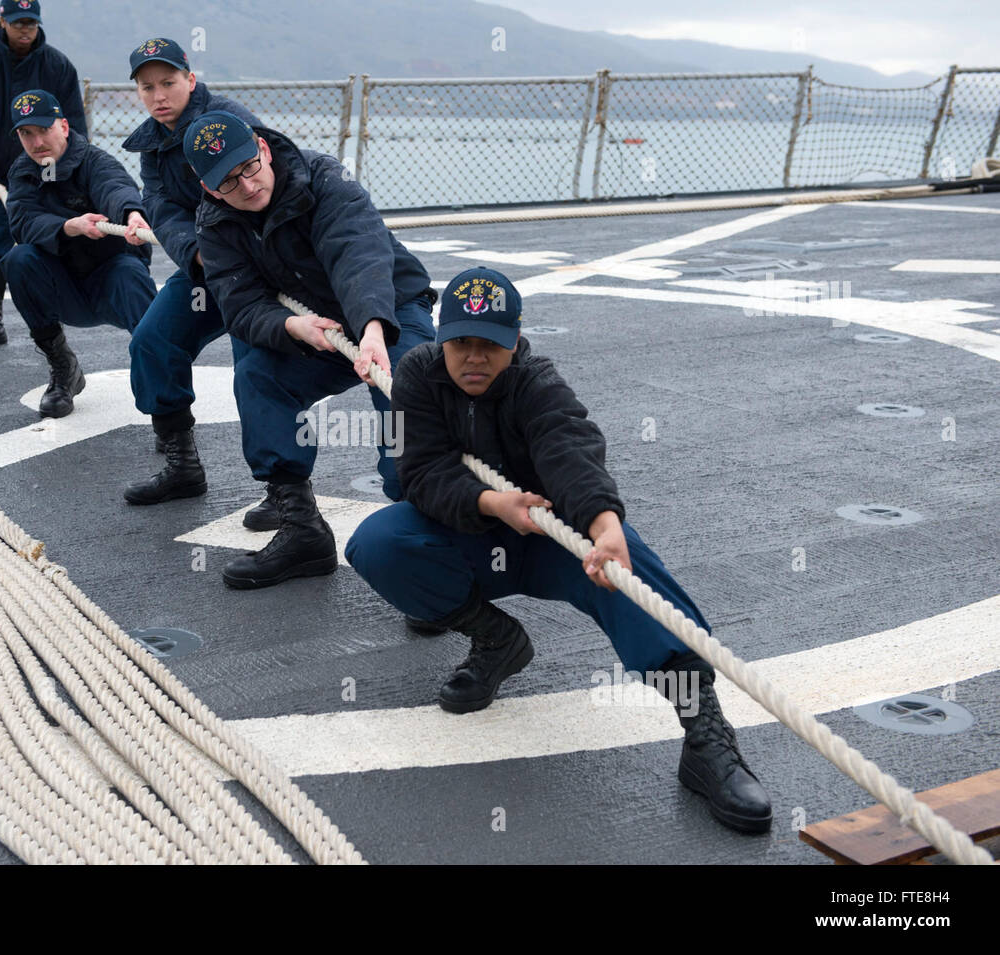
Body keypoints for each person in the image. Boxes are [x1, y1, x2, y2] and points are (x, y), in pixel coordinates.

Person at [344, 267, 773, 834]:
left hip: (549, 537)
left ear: (516, 343)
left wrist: (603, 524)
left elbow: (568, 445)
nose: (474, 358)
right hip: (473, 528)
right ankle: (496, 641)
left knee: (630, 572)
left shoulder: (536, 381)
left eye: (490, 346)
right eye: (461, 344)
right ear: (441, 338)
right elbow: (420, 473)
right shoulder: (419, 376)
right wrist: (494, 505)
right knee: (379, 543)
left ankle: (705, 735)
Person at [184, 110, 437, 589]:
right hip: (310, 324)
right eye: (230, 183)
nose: (248, 187)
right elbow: (238, 303)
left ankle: (429, 553)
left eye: (249, 168)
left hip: (389, 310)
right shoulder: (215, 222)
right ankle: (302, 529)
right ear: (208, 187)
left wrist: (372, 328)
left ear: (261, 147)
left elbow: (358, 252)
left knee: (410, 410)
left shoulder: (324, 178)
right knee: (259, 374)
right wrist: (290, 327)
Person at [118, 38, 273, 517]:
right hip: (207, 266)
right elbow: (162, 208)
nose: (159, 95)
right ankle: (182, 465)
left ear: (190, 78)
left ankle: (286, 493)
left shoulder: (228, 118)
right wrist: (198, 254)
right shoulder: (151, 143)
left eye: (168, 82)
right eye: (148, 87)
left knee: (257, 372)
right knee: (151, 340)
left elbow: (272, 178)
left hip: (259, 269)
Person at [0, 89, 156, 417]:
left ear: (65, 127)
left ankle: (164, 401)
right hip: (63, 289)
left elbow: (114, 187)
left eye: (44, 129)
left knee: (132, 276)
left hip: (112, 281)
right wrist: (71, 225)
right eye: (27, 133)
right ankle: (64, 369)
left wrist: (132, 214)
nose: (37, 141)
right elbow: (23, 221)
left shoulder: (94, 161)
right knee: (18, 259)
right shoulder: (24, 171)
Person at [0, 0, 87, 350]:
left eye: (31, 22)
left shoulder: (58, 66)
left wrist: (68, 173)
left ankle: (52, 324)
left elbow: (74, 125)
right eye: (17, 22)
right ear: (2, 20)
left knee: (49, 246)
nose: (25, 29)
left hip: (50, 176)